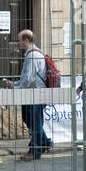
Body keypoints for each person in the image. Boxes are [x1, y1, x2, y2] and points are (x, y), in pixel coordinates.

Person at [15, 29, 51, 160]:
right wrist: (15, 84)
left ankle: (35, 152)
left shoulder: (32, 55)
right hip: (33, 93)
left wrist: (18, 89)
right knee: (29, 118)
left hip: (35, 95)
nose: (18, 43)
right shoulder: (32, 53)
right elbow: (27, 77)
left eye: (19, 40)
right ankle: (45, 142)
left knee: (35, 122)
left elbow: (29, 78)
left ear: (26, 40)